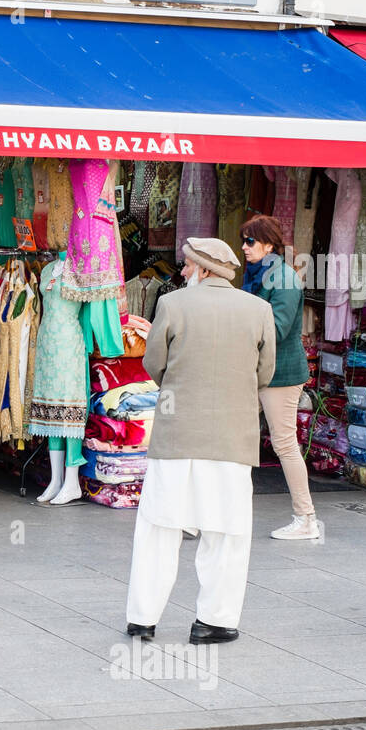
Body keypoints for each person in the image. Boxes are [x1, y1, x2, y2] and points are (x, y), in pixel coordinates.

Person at [124, 237, 275, 644]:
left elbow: (154, 363)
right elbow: (265, 373)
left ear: (205, 269)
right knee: (226, 534)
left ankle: (143, 618)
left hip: (176, 436)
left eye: (188, 267)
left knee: (158, 529)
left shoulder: (172, 306)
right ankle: (214, 622)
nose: (184, 273)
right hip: (231, 440)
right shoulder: (259, 310)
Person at [241, 214, 317, 540]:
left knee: (285, 444)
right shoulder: (258, 275)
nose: (244, 247)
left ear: (269, 245)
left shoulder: (283, 278)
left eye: (250, 241)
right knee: (235, 438)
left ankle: (306, 518)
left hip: (281, 373)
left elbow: (279, 328)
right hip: (257, 370)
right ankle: (218, 511)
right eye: (243, 240)